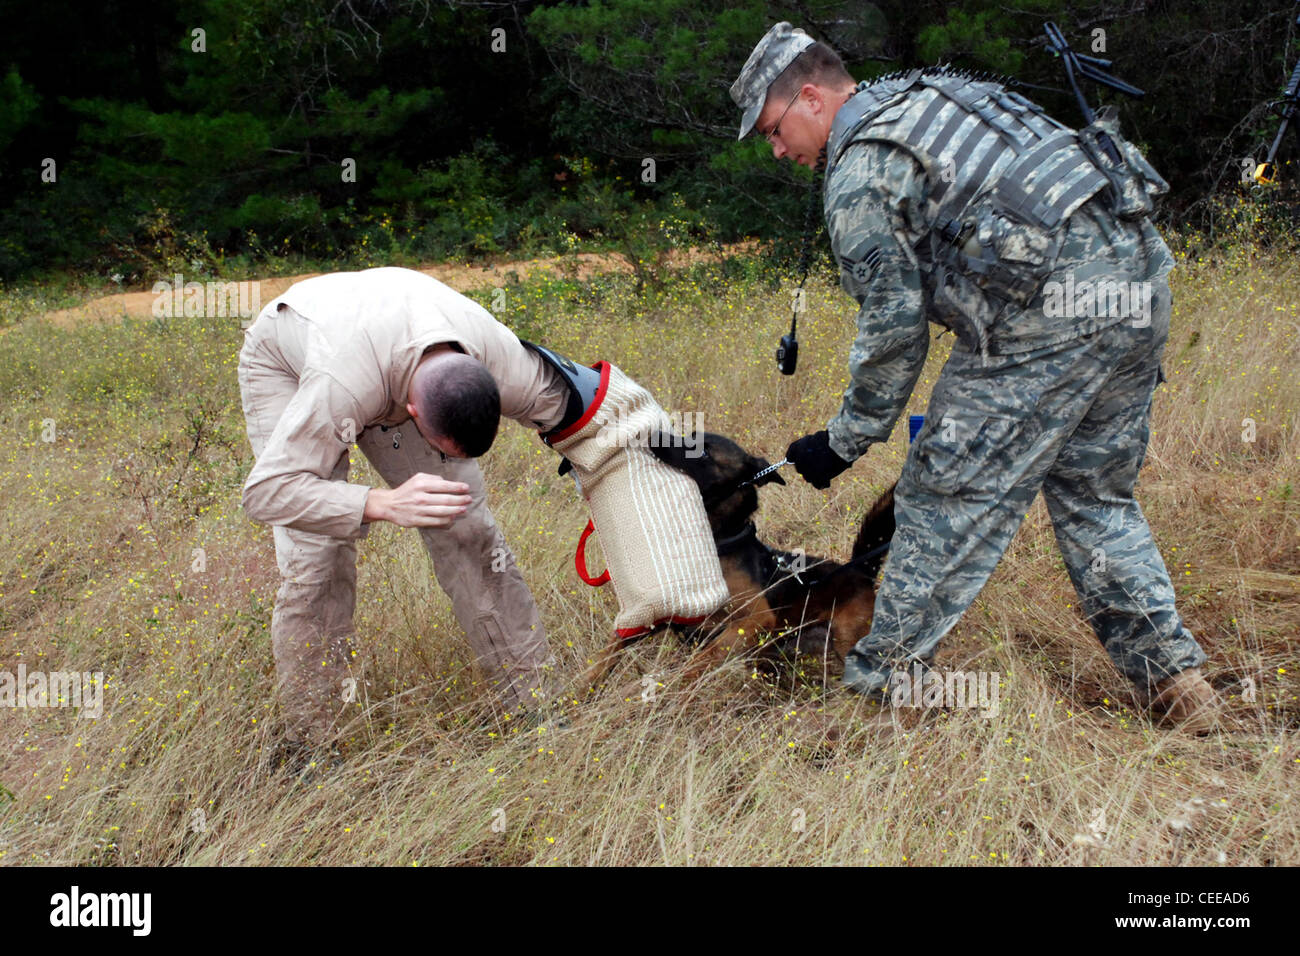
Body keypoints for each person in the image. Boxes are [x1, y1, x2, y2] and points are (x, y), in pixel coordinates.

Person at [730, 23, 1219, 731]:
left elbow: (894, 332)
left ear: (810, 97)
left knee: (941, 502)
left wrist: (843, 440)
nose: (777, 150)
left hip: (1046, 318)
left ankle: (877, 703)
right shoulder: (933, 96)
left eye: (774, 130)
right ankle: (1177, 686)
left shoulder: (862, 166)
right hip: (1138, 284)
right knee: (1095, 499)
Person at [238, 266, 571, 749]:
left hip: (388, 353)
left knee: (469, 529)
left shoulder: (501, 356)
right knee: (318, 560)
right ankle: (310, 746)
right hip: (292, 362)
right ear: (412, 417)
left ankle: (534, 705)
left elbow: (583, 409)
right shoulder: (342, 384)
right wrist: (379, 503)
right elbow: (267, 492)